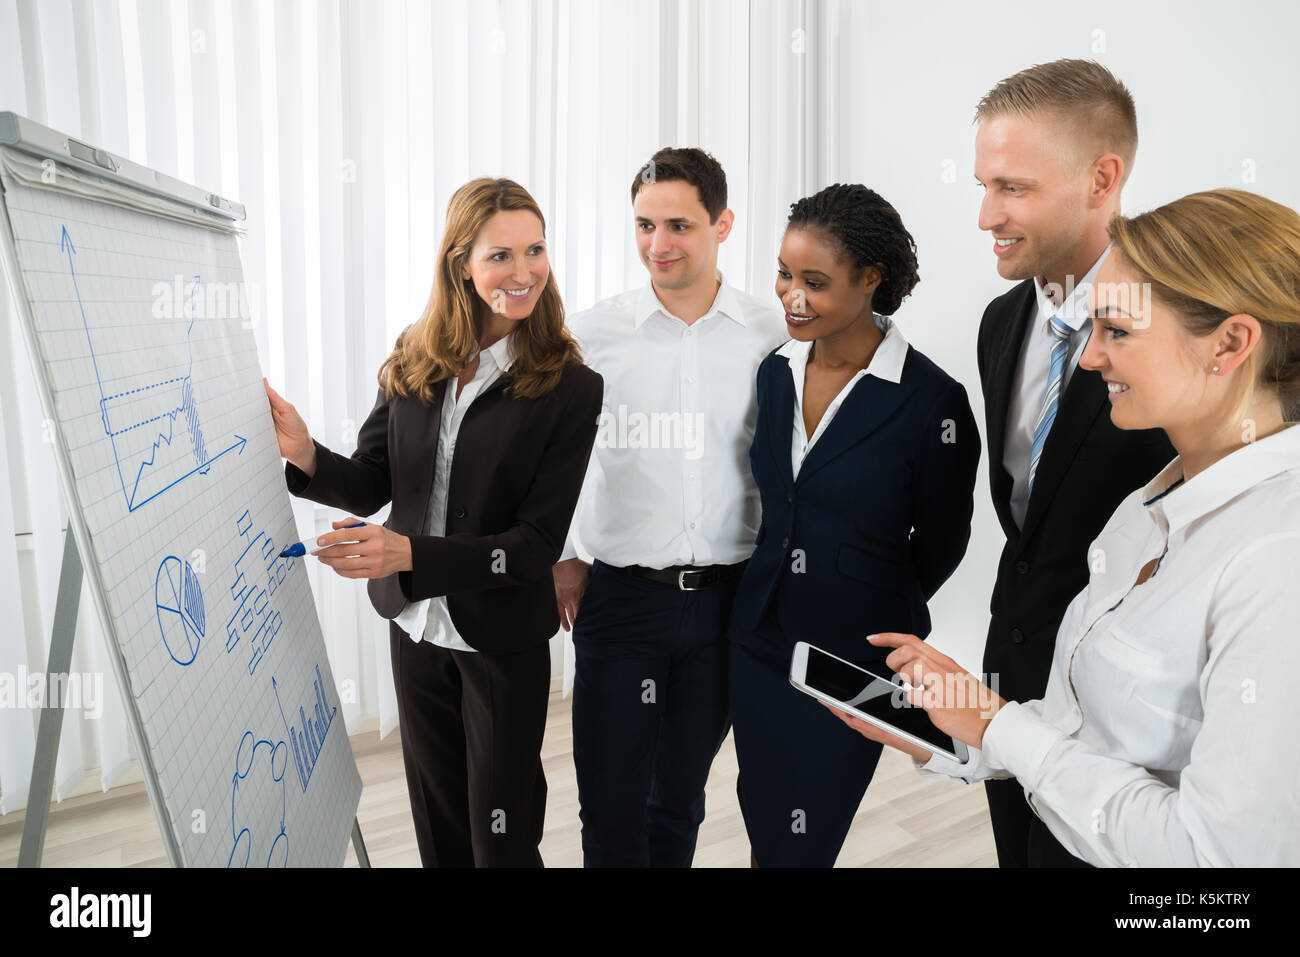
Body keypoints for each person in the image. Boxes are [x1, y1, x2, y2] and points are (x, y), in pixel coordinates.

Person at [828, 188, 1300, 867]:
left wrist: (997, 724)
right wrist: (961, 728)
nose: (1088, 357)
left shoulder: (1277, 557)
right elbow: (1083, 731)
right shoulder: (1145, 510)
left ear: (1229, 342)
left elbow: (1215, 861)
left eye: (1117, 330)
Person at [264, 177, 603, 867]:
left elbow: (534, 546)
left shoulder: (570, 385)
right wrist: (303, 454)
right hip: (415, 628)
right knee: (439, 823)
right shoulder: (416, 353)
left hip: (501, 640)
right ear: (460, 264)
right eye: (500, 255)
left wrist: (408, 554)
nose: (523, 271)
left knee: (500, 839)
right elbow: (373, 478)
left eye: (535, 249)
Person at [728, 183, 981, 866]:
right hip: (758, 641)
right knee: (766, 818)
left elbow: (942, 541)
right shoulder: (776, 372)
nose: (791, 295)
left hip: (854, 658)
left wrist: (863, 590)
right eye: (784, 273)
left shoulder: (932, 402)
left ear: (871, 279)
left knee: (803, 839)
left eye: (815, 281)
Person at [551, 147, 786, 867]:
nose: (659, 244)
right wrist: (563, 553)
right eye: (645, 224)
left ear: (724, 224)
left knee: (679, 798)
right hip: (620, 600)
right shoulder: (590, 336)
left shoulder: (770, 335)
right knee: (611, 804)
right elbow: (551, 456)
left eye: (679, 225)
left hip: (726, 603)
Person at [970, 59, 1174, 866]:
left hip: (1130, 714)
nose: (986, 214)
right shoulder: (1000, 321)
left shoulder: (1180, 326)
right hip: (1011, 671)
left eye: (1012, 187)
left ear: (1102, 178)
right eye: (985, 184)